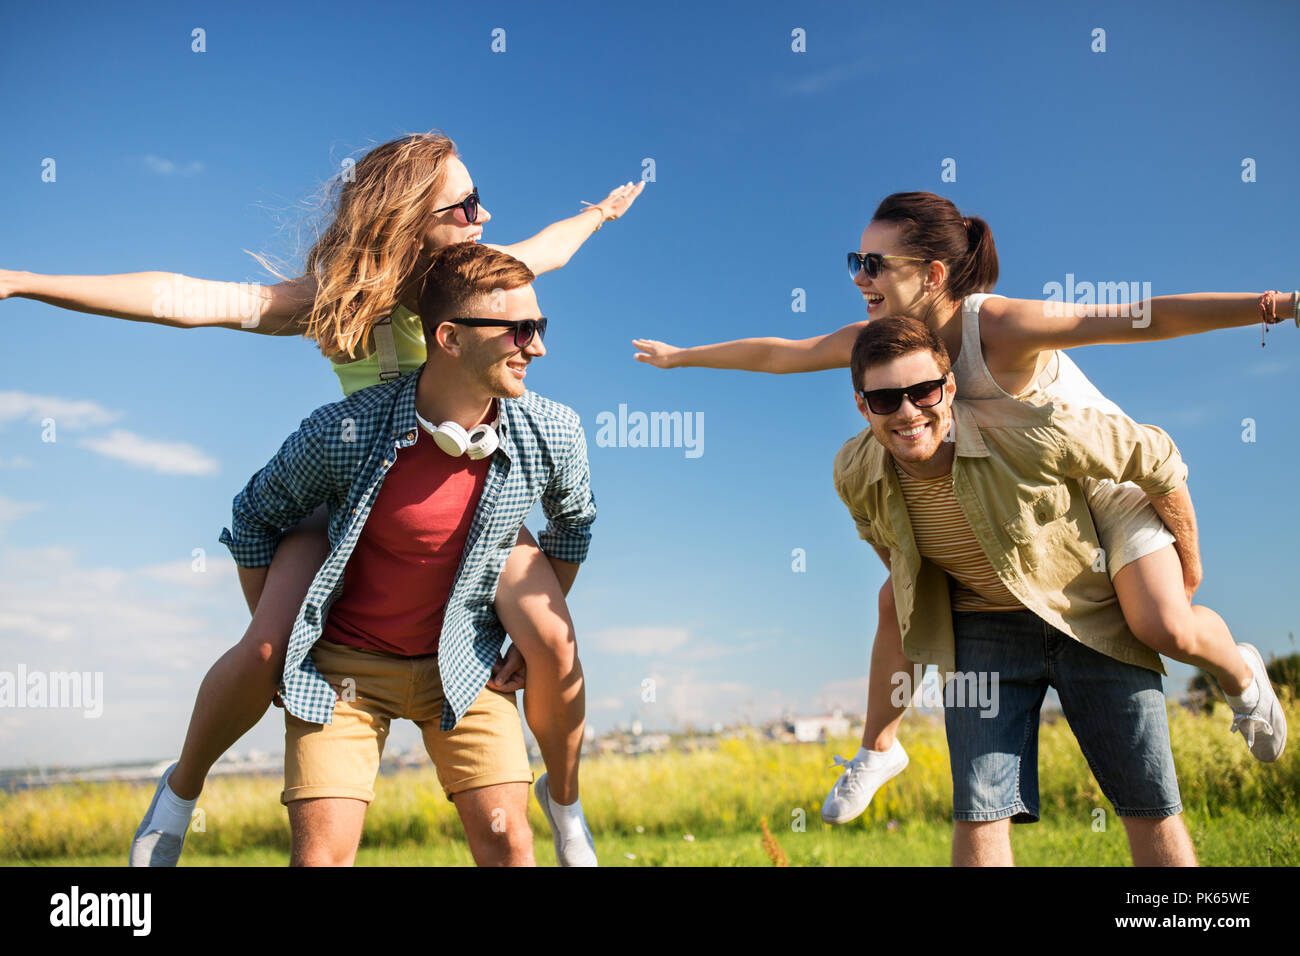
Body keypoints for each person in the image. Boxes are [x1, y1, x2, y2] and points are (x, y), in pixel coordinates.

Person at [0, 131, 641, 866]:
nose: (483, 216)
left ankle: (566, 810)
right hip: (348, 490)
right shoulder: (344, 302)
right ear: (408, 218)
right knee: (267, 647)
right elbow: (186, 299)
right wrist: (22, 279)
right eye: (464, 206)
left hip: (471, 495)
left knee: (553, 638)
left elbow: (553, 247)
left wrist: (600, 214)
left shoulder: (481, 288)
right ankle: (177, 798)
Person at [631, 191, 1292, 823]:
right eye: (854, 261)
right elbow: (787, 354)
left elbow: (1141, 316)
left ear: (933, 272)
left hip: (1102, 474)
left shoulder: (998, 324)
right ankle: (878, 748)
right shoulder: (884, 341)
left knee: (1163, 626)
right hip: (1025, 493)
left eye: (875, 263)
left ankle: (1240, 671)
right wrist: (682, 357)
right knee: (898, 596)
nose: (860, 275)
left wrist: (1274, 305)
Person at [835, 315, 1284, 866]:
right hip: (982, 631)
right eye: (885, 400)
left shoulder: (1025, 430)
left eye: (923, 391)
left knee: (1148, 802)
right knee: (978, 810)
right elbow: (891, 551)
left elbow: (1157, 459)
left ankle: (1237, 669)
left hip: (1089, 614)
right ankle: (877, 749)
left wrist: (1189, 566)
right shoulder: (854, 471)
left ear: (948, 387)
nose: (907, 412)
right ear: (863, 406)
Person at [215, 241, 592, 865]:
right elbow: (254, 516)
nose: (539, 347)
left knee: (506, 841)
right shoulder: (347, 431)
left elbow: (573, 527)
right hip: (343, 674)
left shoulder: (553, 431)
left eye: (541, 327)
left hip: (465, 669)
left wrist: (527, 637)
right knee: (321, 859)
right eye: (520, 330)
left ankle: (567, 807)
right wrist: (283, 638)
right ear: (449, 338)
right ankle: (178, 797)